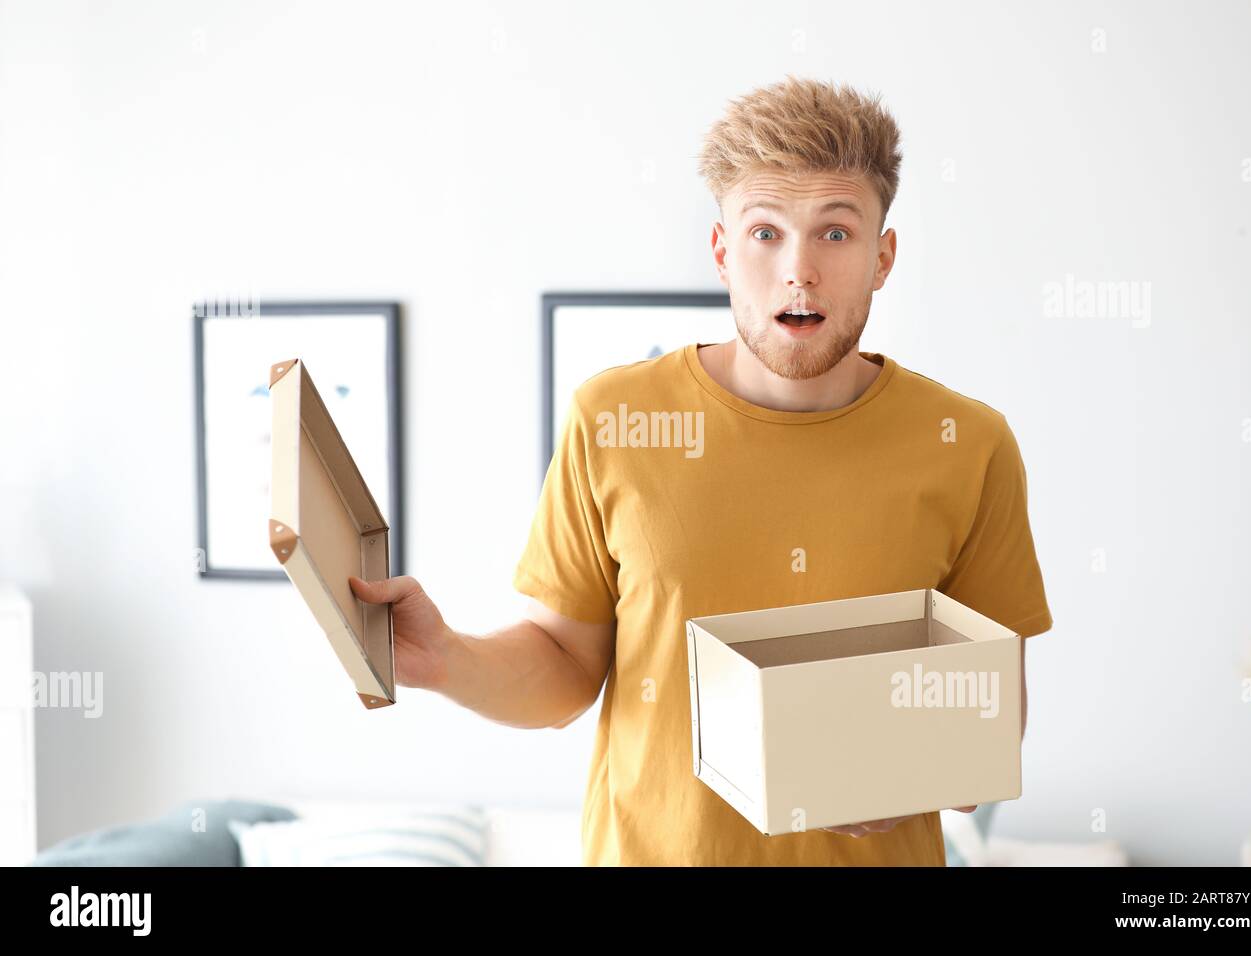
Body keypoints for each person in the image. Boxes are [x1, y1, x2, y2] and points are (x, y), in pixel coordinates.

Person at [350, 74, 1052, 866]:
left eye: (835, 232)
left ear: (882, 256)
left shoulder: (969, 443)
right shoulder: (611, 420)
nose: (799, 270)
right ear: (722, 251)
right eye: (764, 233)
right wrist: (442, 658)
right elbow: (565, 669)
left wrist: (917, 770)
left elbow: (990, 716)